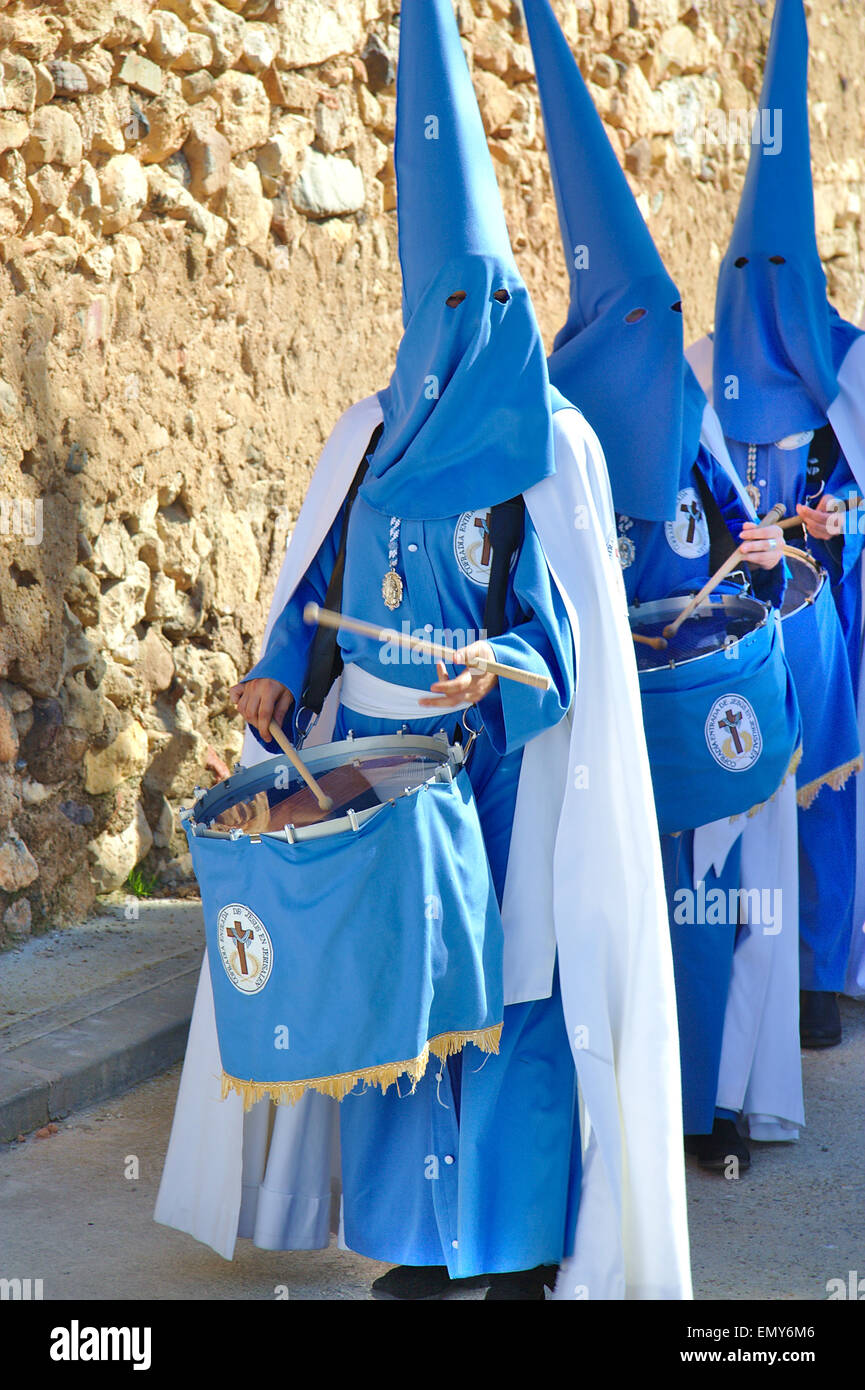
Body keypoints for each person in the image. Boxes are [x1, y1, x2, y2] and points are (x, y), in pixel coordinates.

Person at [156, 0, 690, 1301]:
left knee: (505, 1008)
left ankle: (510, 1249)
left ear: (505, 301)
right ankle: (413, 1238)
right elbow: (325, 570)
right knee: (401, 1006)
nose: (452, 326)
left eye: (476, 298)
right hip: (378, 771)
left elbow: (566, 642)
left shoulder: (549, 447)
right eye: (432, 300)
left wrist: (492, 671)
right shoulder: (371, 428)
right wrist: (284, 659)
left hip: (506, 785)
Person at [522, 0, 804, 1171]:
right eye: (640, 321)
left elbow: (743, 532)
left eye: (668, 320)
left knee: (718, 908)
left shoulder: (690, 425)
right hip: (609, 721)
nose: (662, 339)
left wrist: (764, 550)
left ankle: (712, 1104)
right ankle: (618, 1113)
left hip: (697, 711)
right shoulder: (560, 438)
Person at [690, 0, 865, 1048]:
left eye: (777, 274)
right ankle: (737, 978)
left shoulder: (844, 377)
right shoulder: (695, 372)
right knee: (737, 798)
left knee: (821, 799)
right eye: (744, 270)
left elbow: (857, 498)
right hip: (720, 626)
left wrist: (826, 519)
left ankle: (815, 973)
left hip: (818, 627)